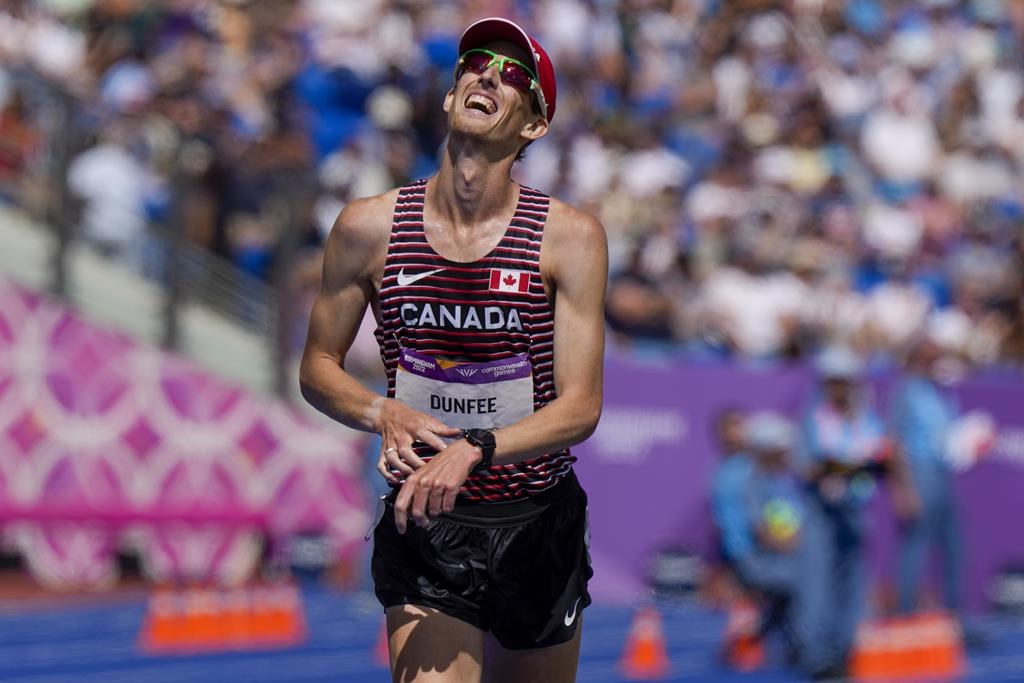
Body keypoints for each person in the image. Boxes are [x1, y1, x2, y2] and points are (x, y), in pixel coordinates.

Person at [299, 17, 608, 683]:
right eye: (475, 65)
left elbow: (581, 407)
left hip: (536, 519)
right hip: (428, 522)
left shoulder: (569, 237)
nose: (488, 76)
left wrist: (477, 445)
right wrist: (382, 413)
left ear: (534, 126)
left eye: (514, 77)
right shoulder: (367, 226)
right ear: (448, 95)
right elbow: (317, 367)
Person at [796, 346, 889, 680]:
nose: (840, 388)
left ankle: (845, 648)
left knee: (850, 584)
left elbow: (880, 457)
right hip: (822, 514)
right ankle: (815, 653)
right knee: (816, 584)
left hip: (854, 512)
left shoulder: (865, 417)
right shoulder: (814, 416)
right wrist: (833, 469)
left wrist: (863, 467)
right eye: (833, 382)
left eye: (845, 382)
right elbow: (806, 466)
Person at [889, 336, 963, 616]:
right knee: (915, 544)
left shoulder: (940, 391)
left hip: (942, 474)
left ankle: (953, 612)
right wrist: (904, 491)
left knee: (954, 543)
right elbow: (895, 442)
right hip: (919, 474)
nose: (939, 358)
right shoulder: (906, 391)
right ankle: (905, 613)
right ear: (919, 356)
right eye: (933, 353)